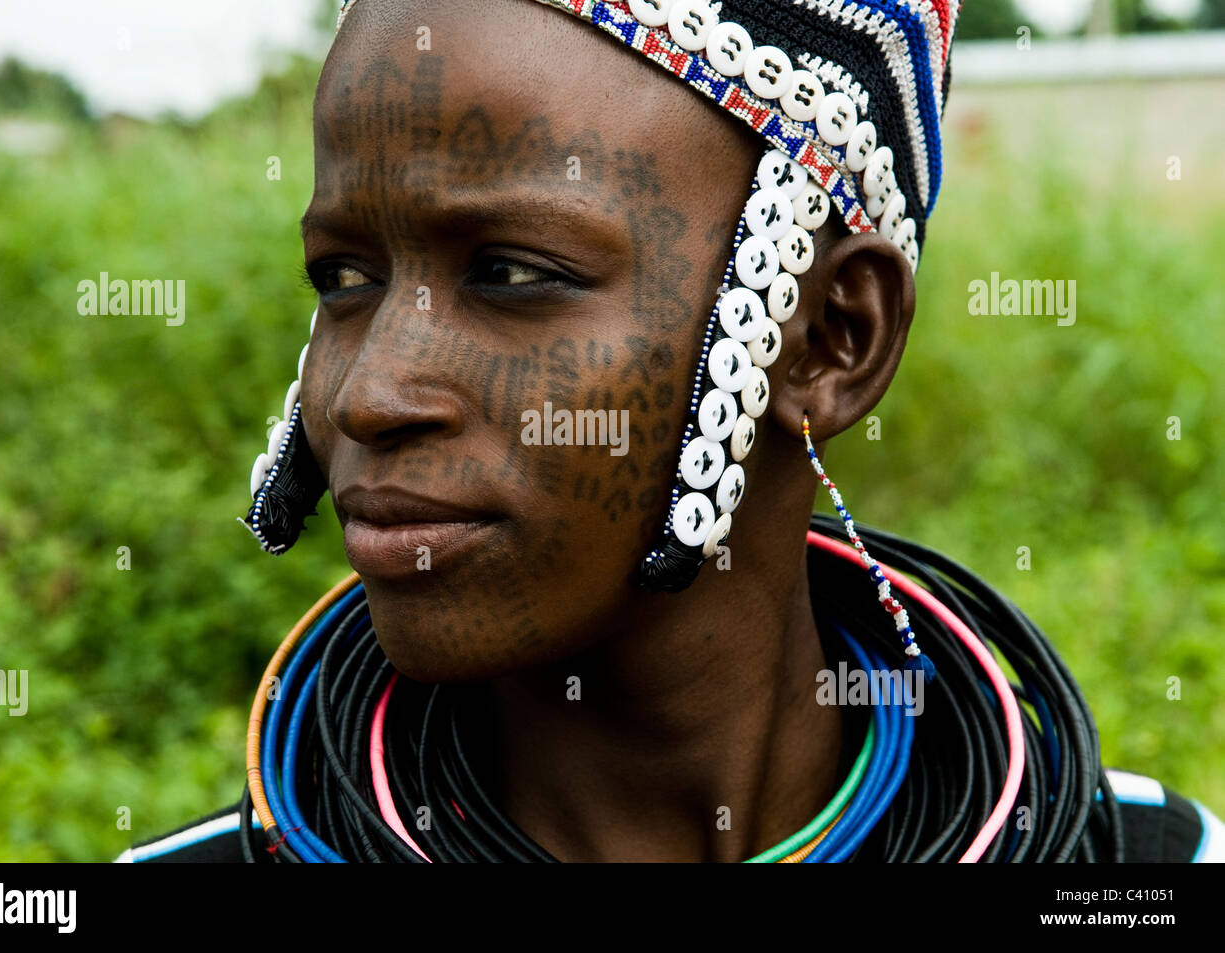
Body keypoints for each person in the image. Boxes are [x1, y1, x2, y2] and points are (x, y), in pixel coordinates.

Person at [116, 0, 1223, 863]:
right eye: (347, 278)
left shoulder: (1139, 858)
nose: (369, 393)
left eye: (511, 273)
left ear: (834, 337)